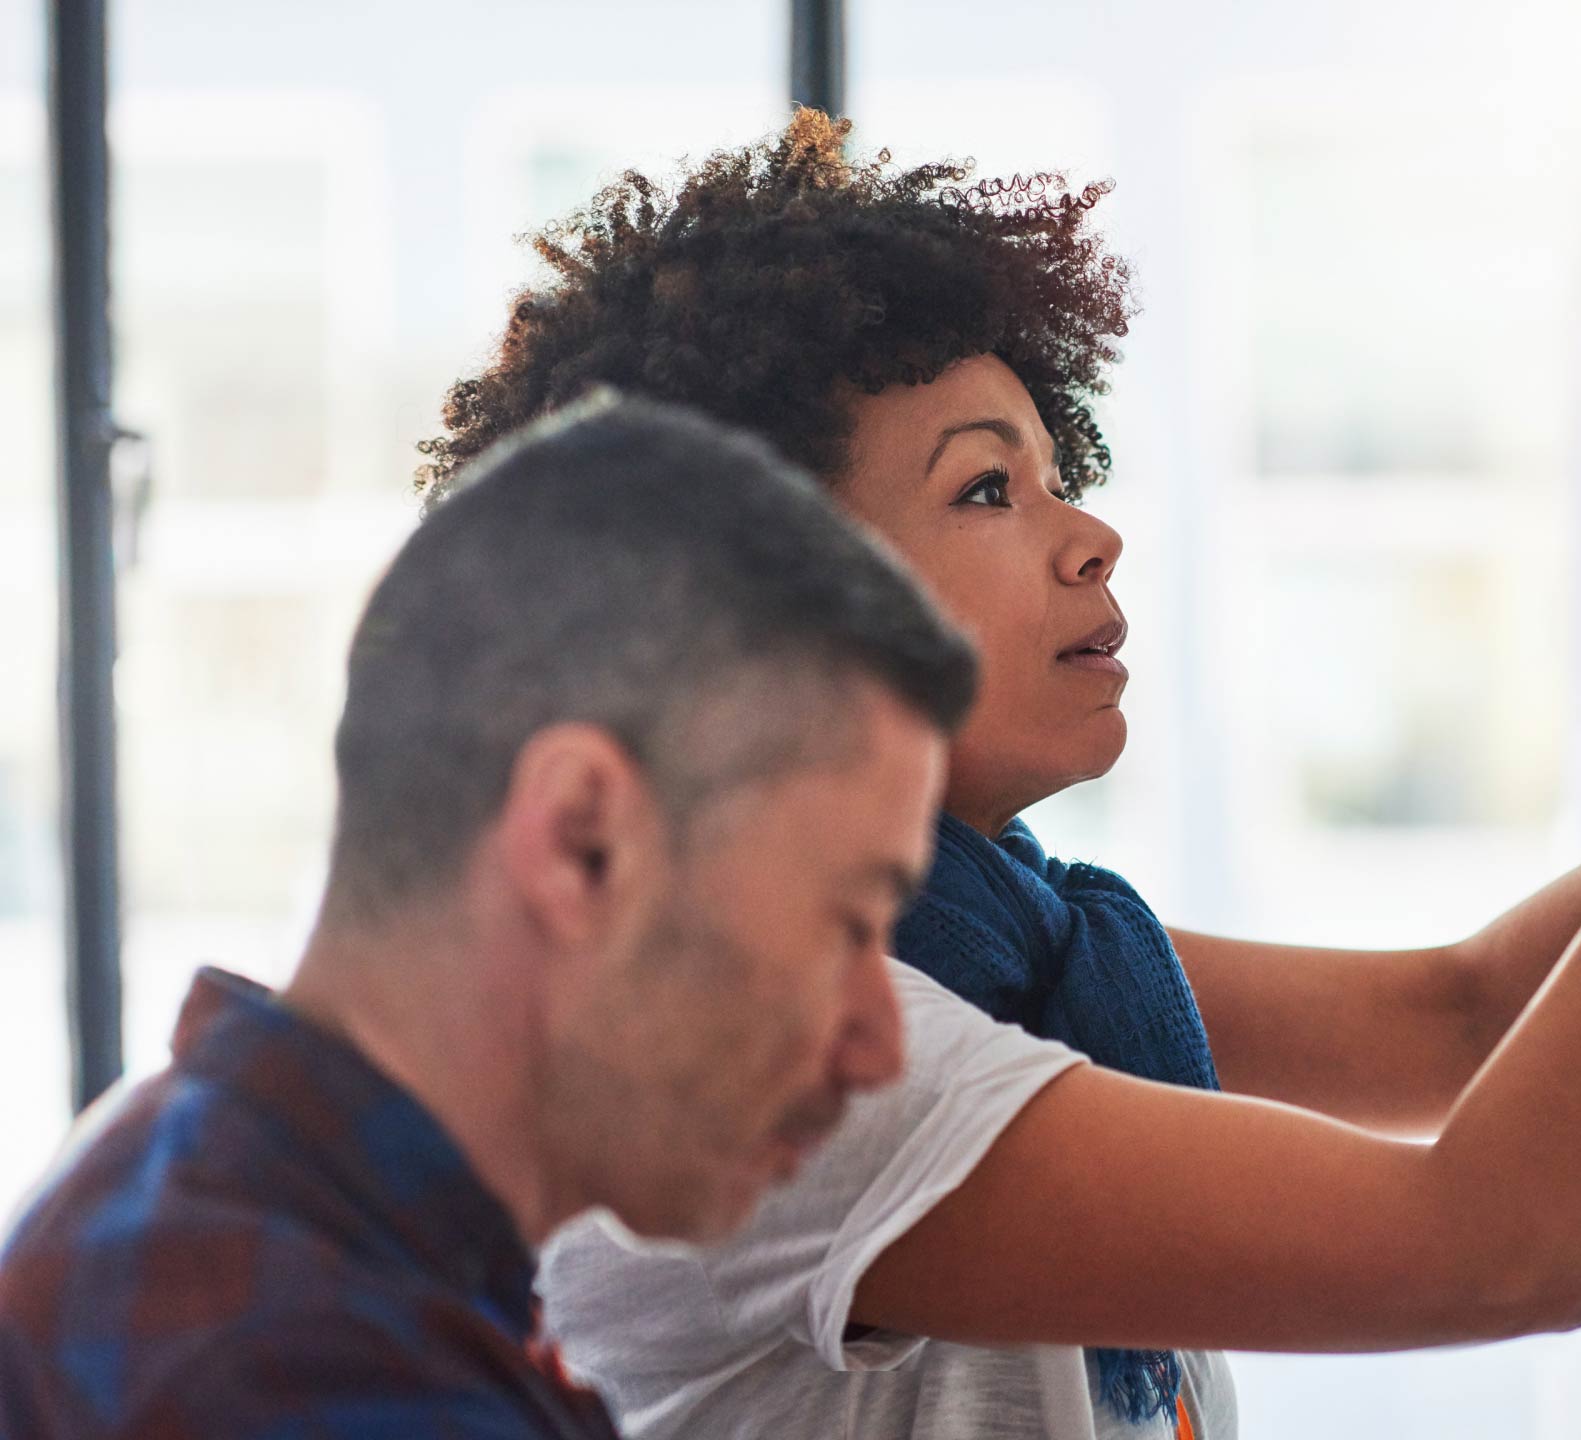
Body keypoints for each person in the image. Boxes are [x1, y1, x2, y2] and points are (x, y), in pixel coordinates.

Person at [423, 112, 1581, 1440]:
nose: (1085, 533)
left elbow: (1464, 1015)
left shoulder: (1011, 955)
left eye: (1056, 473)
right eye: (985, 487)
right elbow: (1504, 1244)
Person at [0, 397, 982, 1438]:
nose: (878, 1046)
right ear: (581, 842)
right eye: (844, 926)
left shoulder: (262, 1221)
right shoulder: (290, 1365)